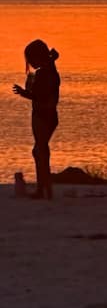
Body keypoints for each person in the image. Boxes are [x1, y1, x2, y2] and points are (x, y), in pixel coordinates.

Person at [12, 39, 61, 200]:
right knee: (40, 150)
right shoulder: (51, 69)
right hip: (51, 116)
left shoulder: (43, 73)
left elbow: (39, 96)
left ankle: (44, 190)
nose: (30, 63)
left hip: (41, 115)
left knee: (41, 151)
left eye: (30, 59)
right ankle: (45, 189)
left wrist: (22, 92)